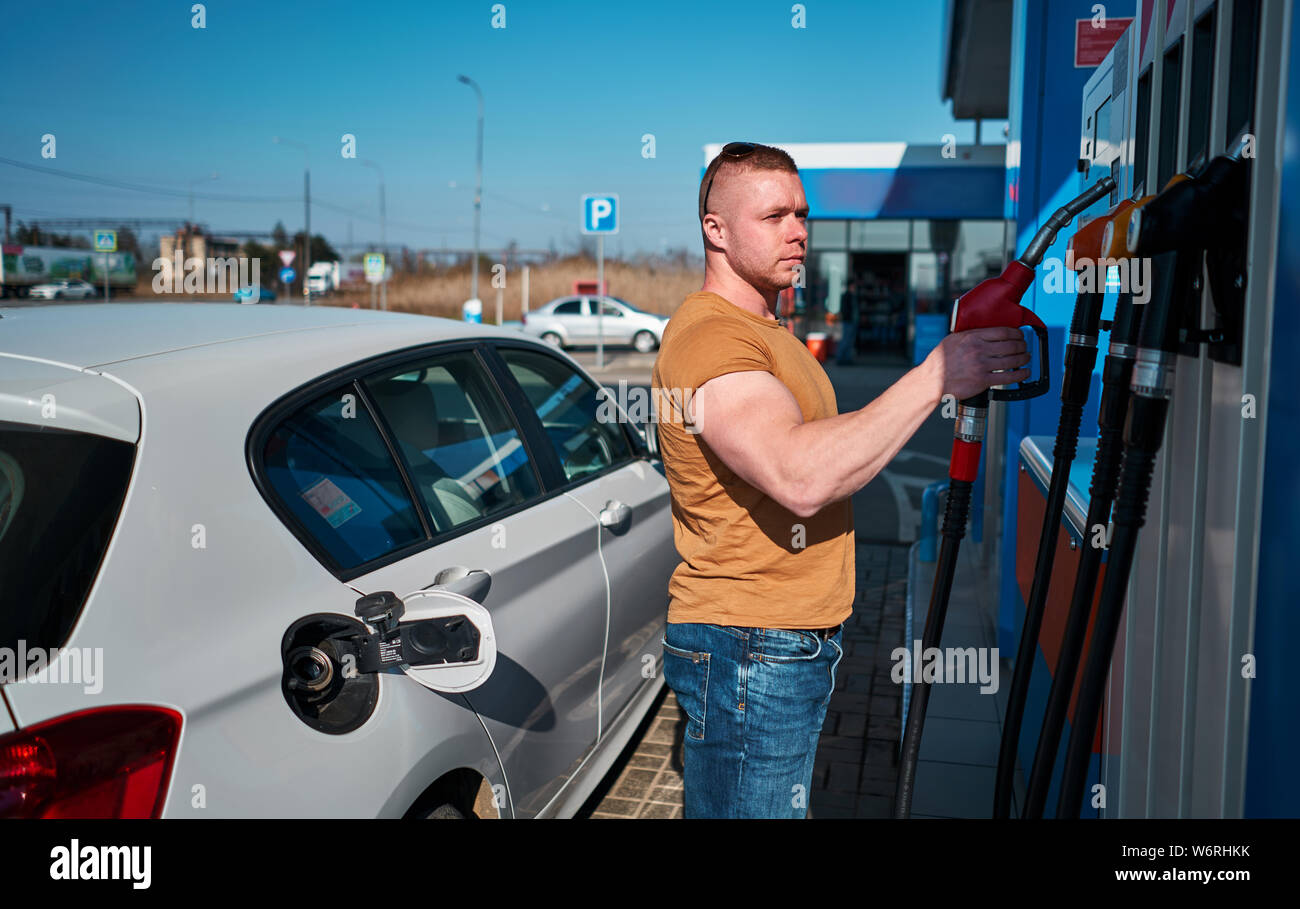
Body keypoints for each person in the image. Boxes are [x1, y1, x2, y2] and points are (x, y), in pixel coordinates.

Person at [650, 142, 1031, 818]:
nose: (798, 230)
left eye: (802, 213)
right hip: (749, 646)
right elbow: (797, 474)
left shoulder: (767, 330)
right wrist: (936, 375)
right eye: (773, 216)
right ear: (716, 229)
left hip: (779, 643)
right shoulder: (709, 338)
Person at [835, 278, 858, 364]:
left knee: (849, 340)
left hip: (851, 321)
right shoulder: (847, 296)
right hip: (848, 321)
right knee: (846, 340)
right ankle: (841, 358)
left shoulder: (852, 296)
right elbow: (845, 310)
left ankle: (846, 358)